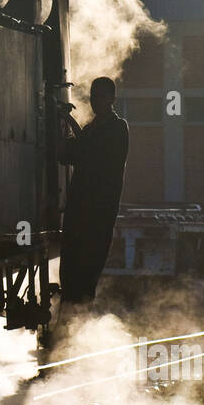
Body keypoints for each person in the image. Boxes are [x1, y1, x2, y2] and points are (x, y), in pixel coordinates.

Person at [58, 76, 129, 305]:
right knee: (71, 269)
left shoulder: (118, 128)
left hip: (98, 213)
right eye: (93, 96)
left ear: (111, 98)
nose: (94, 101)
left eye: (99, 96)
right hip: (79, 210)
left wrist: (71, 125)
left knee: (86, 270)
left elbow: (88, 154)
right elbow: (71, 154)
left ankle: (78, 317)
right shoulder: (92, 130)